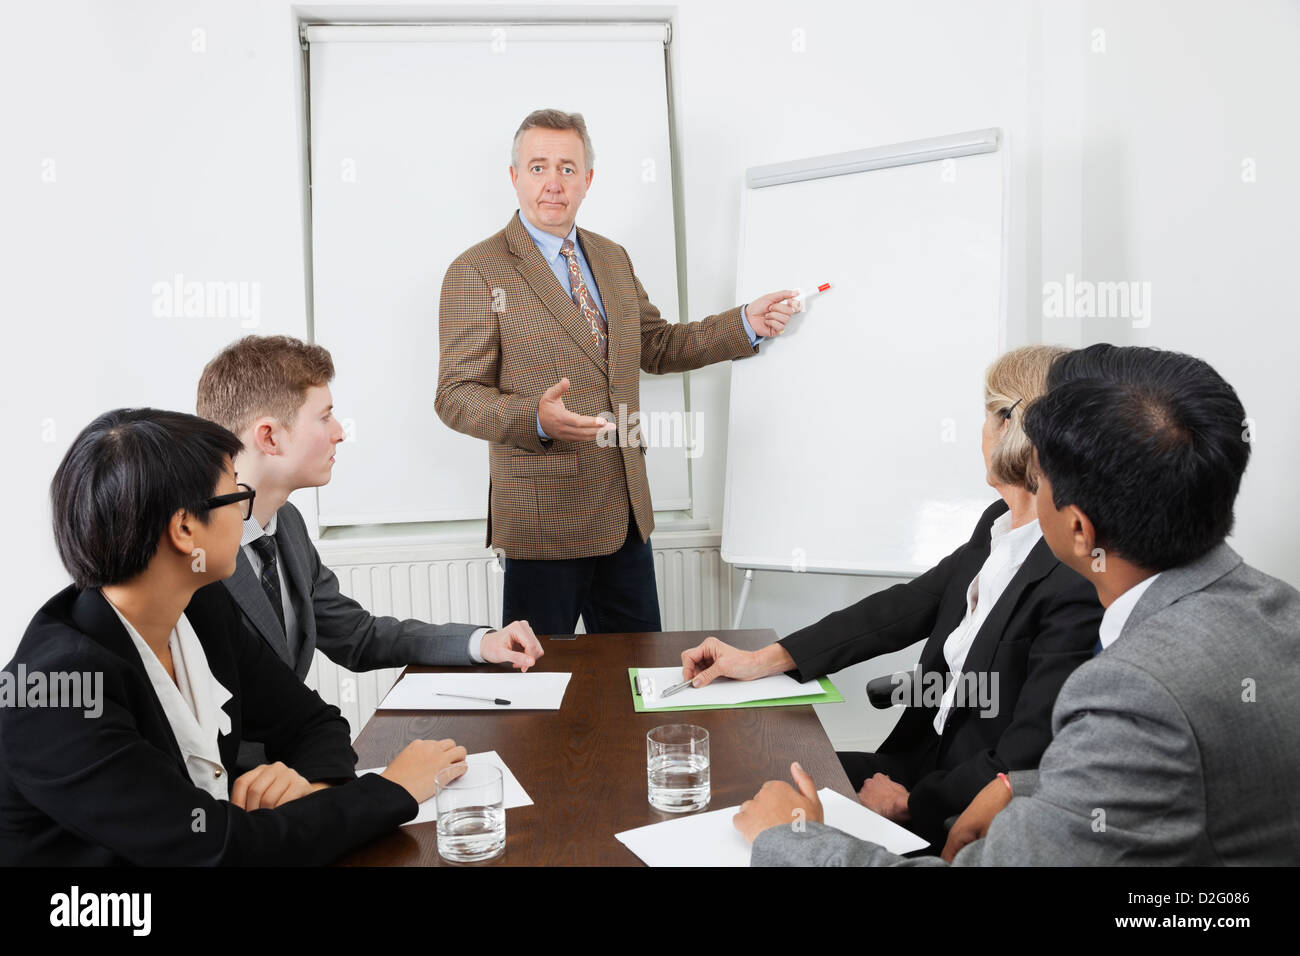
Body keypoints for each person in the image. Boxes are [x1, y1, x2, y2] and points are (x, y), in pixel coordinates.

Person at [737, 344, 1300, 865]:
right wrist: (1018, 785)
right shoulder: (1279, 607)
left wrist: (790, 843)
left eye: (1044, 473)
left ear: (1077, 527)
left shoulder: (1133, 691)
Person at [0, 409, 465, 865]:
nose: (246, 511)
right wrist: (393, 789)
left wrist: (312, 787)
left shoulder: (201, 607)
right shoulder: (54, 694)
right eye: (235, 497)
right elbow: (218, 849)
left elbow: (312, 721)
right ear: (185, 528)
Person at [680, 345, 1101, 848]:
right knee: (751, 783)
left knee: (770, 822)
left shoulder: (1073, 577)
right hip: (917, 760)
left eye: (987, 416)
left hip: (958, 803)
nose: (980, 432)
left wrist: (910, 804)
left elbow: (1026, 756)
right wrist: (762, 660)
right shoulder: (996, 524)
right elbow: (898, 610)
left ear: (1011, 426)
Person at [435, 108, 802, 637]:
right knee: (542, 692)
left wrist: (746, 323)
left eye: (568, 168)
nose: (554, 183)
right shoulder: (477, 270)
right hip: (544, 523)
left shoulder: (611, 258)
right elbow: (454, 395)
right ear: (515, 176)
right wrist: (534, 418)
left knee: (638, 677)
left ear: (588, 180)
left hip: (626, 515)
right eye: (538, 167)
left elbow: (655, 345)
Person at [197, 335, 544, 771]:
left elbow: (357, 636)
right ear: (268, 436)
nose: (340, 431)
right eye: (324, 417)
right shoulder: (193, 553)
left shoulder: (287, 525)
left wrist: (479, 643)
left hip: (291, 770)